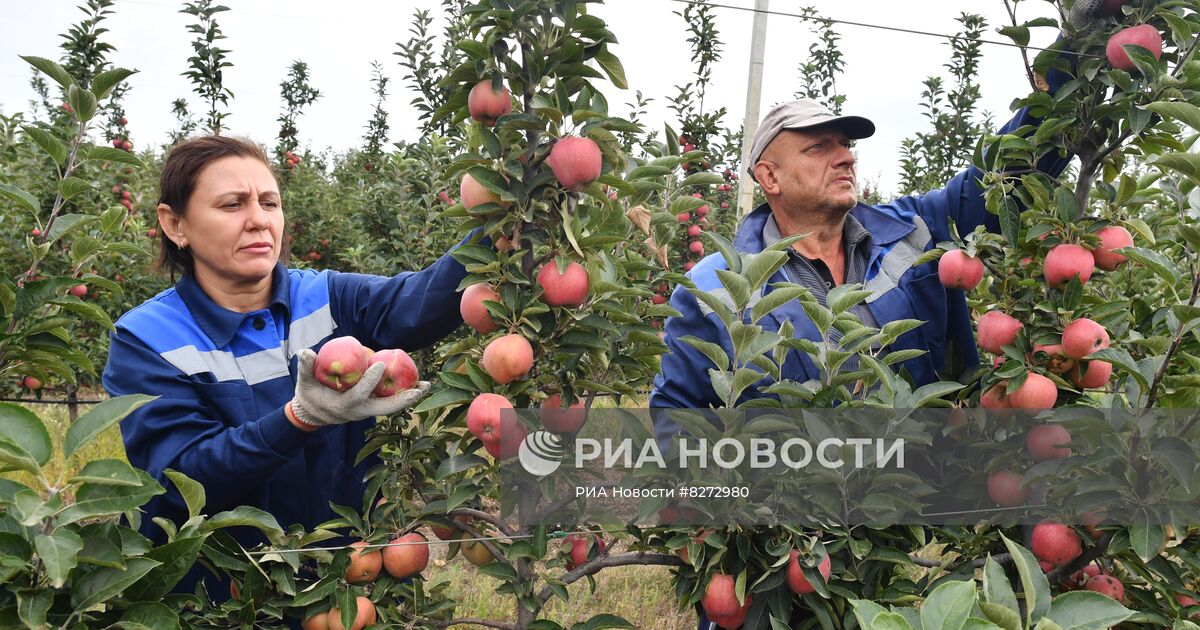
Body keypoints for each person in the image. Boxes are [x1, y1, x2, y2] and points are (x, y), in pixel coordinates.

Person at [649, 15, 1109, 629]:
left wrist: (1075, 53)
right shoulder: (715, 285)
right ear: (769, 176)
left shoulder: (915, 231)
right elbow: (678, 417)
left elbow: (1009, 172)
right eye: (818, 147)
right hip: (784, 551)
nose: (844, 156)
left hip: (905, 541)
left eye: (846, 145)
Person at [102, 135, 473, 595]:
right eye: (232, 205)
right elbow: (183, 478)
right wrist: (296, 420)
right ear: (175, 223)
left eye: (269, 202)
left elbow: (418, 303)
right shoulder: (149, 338)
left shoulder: (326, 297)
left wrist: (503, 221)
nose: (259, 220)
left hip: (348, 590)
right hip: (222, 603)